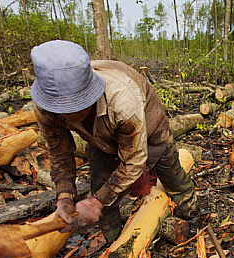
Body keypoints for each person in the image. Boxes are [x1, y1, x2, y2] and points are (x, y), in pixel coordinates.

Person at [30, 40, 198, 242]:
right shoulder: (46, 109)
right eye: (62, 109)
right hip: (99, 140)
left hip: (150, 131)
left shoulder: (123, 101)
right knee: (100, 189)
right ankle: (116, 246)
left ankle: (194, 216)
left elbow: (134, 161)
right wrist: (64, 197)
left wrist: (96, 202)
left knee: (172, 176)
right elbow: (60, 154)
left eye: (75, 107)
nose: (68, 115)